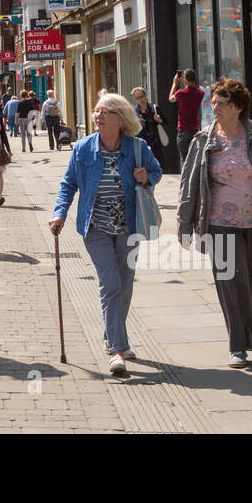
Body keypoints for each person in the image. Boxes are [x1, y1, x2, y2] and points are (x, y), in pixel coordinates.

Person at [50, 92, 163, 376]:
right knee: (110, 284)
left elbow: (157, 171)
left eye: (105, 112)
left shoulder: (137, 147)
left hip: (130, 226)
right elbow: (68, 184)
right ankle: (117, 350)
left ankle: (114, 333)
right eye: (96, 111)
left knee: (125, 286)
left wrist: (146, 177)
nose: (97, 116)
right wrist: (60, 212)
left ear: (120, 118)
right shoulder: (84, 148)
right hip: (95, 227)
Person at [177, 79, 252, 368]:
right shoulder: (203, 139)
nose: (215, 107)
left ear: (237, 107)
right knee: (229, 281)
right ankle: (238, 344)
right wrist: (184, 225)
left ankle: (247, 330)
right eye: (213, 102)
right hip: (219, 222)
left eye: (222, 103)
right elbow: (189, 185)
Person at [169, 69, 205, 168]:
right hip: (195, 130)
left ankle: (185, 182)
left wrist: (175, 83)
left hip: (183, 130)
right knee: (194, 159)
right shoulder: (200, 93)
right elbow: (193, 89)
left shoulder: (181, 93)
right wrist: (185, 80)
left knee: (185, 161)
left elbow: (170, 98)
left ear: (184, 79)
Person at [132, 87, 163, 154]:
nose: (140, 99)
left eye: (141, 96)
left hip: (155, 144)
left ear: (145, 95)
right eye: (137, 98)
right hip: (141, 145)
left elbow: (166, 123)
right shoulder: (133, 111)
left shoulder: (155, 108)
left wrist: (160, 120)